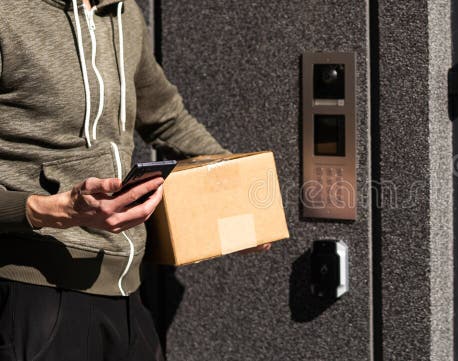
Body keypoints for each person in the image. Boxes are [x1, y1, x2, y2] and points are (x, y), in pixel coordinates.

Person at [0, 0, 268, 359]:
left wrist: (237, 192)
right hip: (33, 295)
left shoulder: (124, 14)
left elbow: (166, 117)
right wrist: (54, 209)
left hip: (127, 295)